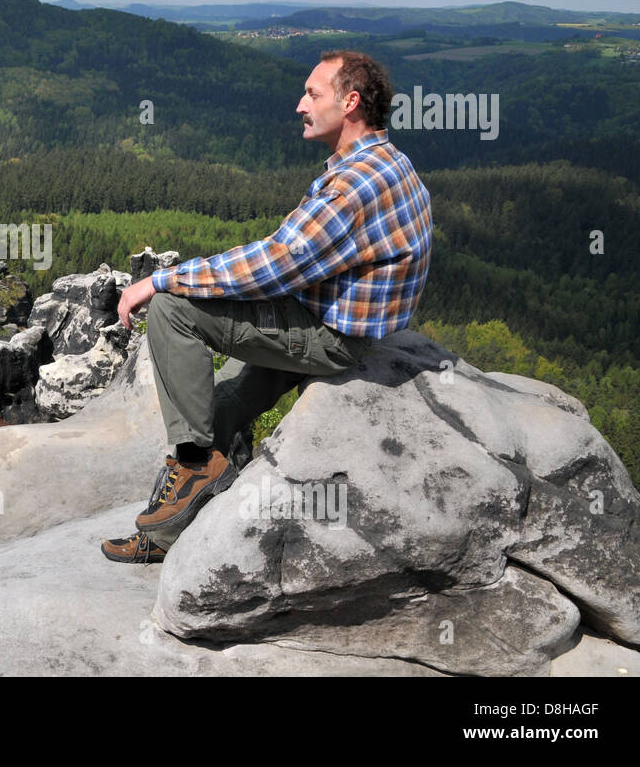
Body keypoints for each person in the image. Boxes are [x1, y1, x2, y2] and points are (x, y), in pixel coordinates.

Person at [101, 49, 433, 563]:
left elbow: (275, 262)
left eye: (312, 94)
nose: (300, 105)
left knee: (170, 309)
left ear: (350, 102)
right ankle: (169, 535)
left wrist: (161, 279)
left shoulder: (353, 185)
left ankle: (194, 465)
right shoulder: (387, 160)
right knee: (219, 408)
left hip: (329, 335)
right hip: (335, 319)